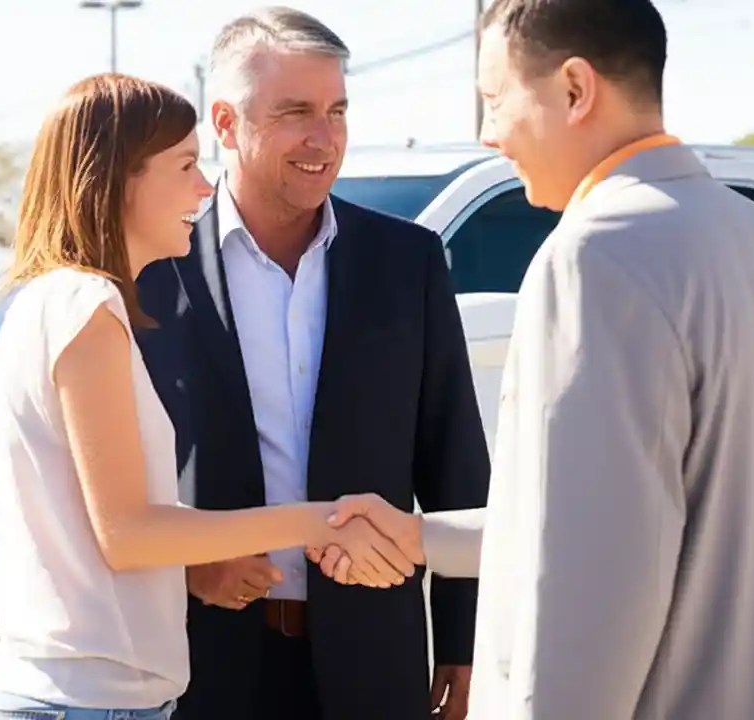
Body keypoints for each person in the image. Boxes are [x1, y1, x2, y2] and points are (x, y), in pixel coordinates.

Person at [319, 0, 754, 717]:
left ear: (575, 89)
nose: (487, 134)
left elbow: (592, 575)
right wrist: (420, 538)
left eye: (494, 99)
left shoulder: (596, 256)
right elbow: (659, 519)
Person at [0, 73, 422, 720]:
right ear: (118, 177)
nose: (204, 187)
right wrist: (317, 520)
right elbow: (127, 533)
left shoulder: (57, 301)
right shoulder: (86, 306)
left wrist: (201, 561)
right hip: (86, 706)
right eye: (185, 164)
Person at [133, 7, 490, 720]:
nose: (323, 139)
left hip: (373, 663)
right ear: (227, 124)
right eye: (296, 111)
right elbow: (114, 481)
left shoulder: (406, 262)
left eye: (337, 111)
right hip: (203, 664)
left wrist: (464, 639)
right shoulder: (154, 273)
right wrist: (186, 565)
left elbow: (453, 458)